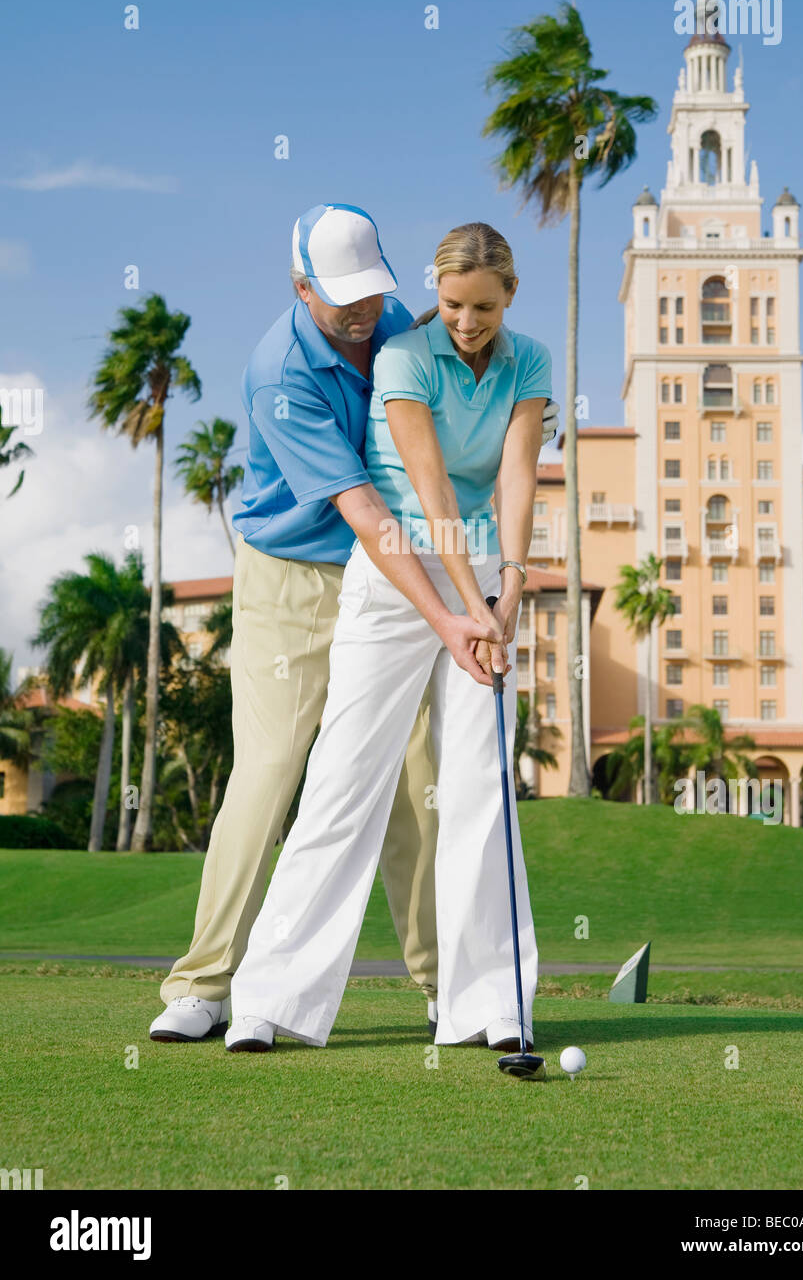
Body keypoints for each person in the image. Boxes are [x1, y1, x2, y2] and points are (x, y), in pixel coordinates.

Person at [150, 204, 560, 1043]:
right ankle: (217, 987)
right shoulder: (285, 372)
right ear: (301, 288)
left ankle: (468, 995)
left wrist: (504, 588)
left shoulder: (409, 335)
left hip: (445, 573)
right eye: (342, 299)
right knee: (283, 773)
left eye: (373, 291)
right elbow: (380, 507)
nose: (361, 311)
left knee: (436, 791)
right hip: (306, 572)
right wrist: (458, 615)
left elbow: (510, 473)